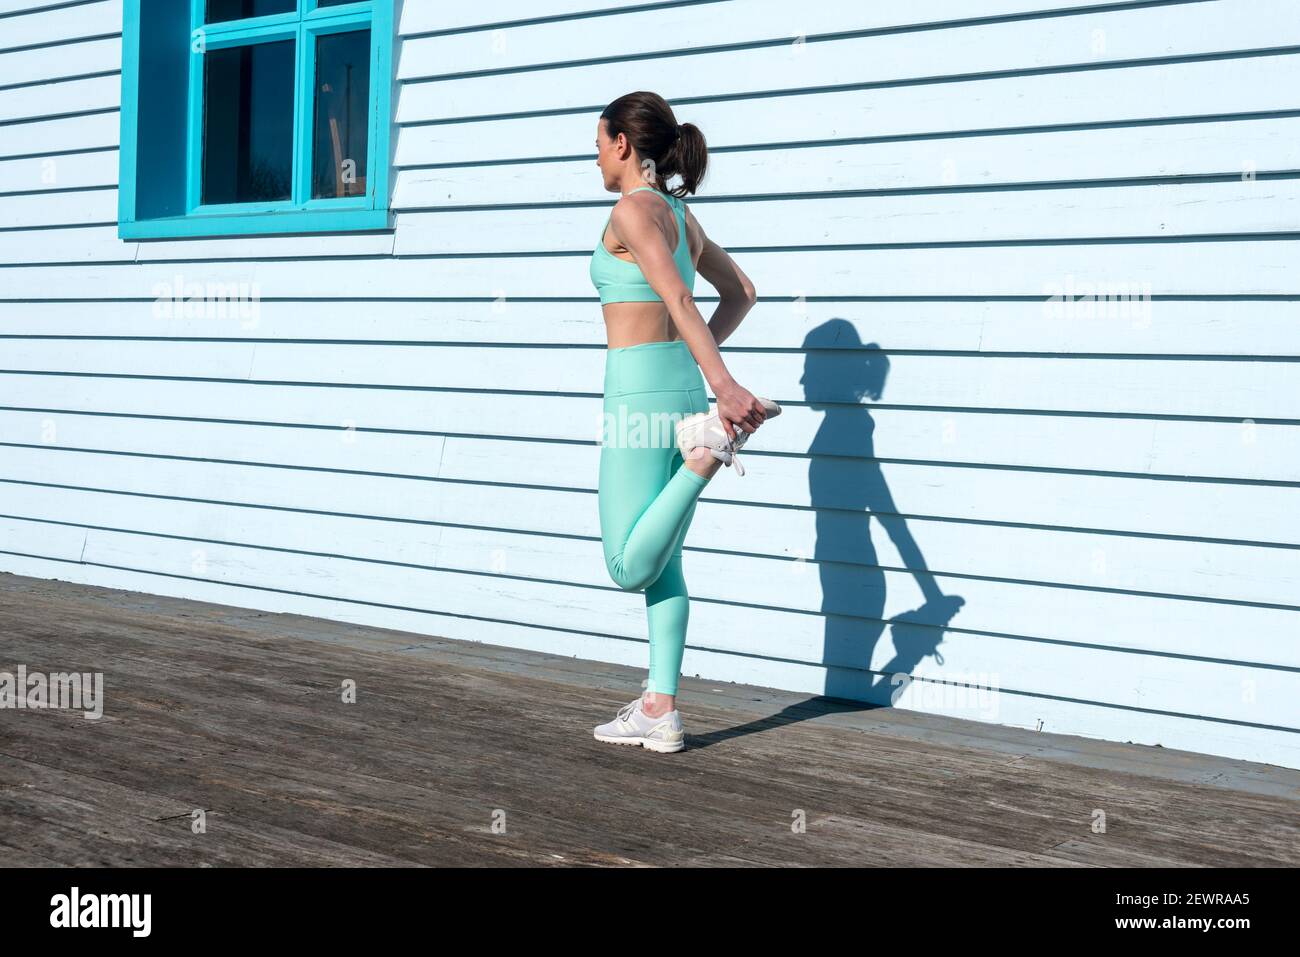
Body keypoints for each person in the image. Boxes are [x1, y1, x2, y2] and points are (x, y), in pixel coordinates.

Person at [588, 91, 781, 753]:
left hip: (637, 393)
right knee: (665, 560)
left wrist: (723, 389)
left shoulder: (631, 212)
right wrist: (704, 375)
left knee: (626, 562)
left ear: (622, 143)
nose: (595, 155)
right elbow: (742, 292)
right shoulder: (680, 216)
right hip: (676, 385)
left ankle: (709, 452)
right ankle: (659, 706)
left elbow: (674, 294)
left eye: (598, 141)